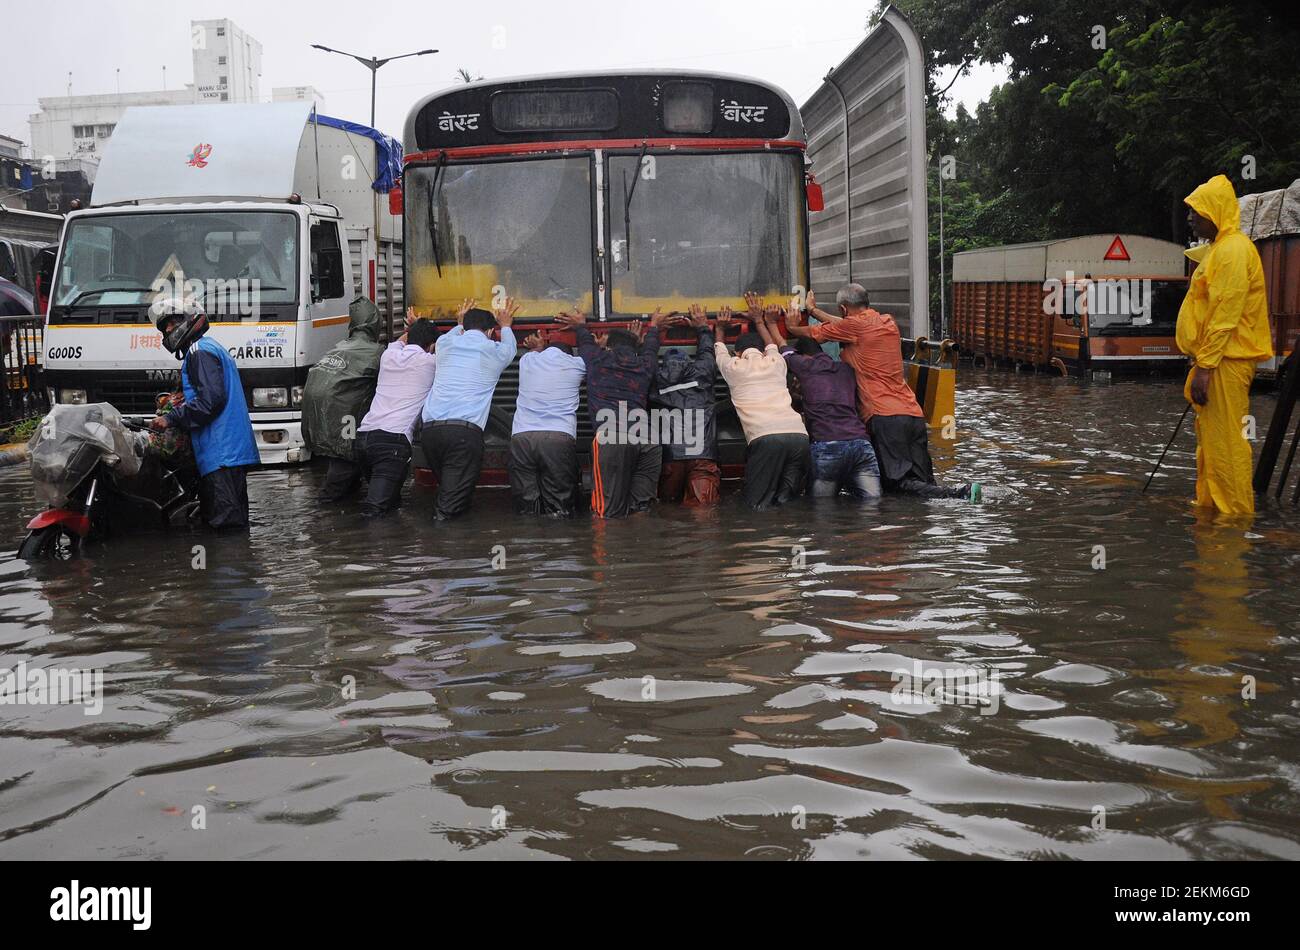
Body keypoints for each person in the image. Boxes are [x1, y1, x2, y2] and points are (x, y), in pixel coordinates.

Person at [786, 284, 977, 501]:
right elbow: (846, 325)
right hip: (912, 414)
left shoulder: (853, 327)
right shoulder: (888, 322)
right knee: (923, 485)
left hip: (884, 416)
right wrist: (814, 311)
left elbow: (813, 334)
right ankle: (941, 506)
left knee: (895, 484)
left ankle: (957, 494)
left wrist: (792, 328)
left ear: (844, 309)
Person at [1176, 174, 1274, 517]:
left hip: (1224, 362)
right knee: (1212, 445)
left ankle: (1233, 518)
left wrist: (1205, 366)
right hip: (1216, 360)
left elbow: (1225, 315)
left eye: (1196, 210)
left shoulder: (1233, 251)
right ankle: (1211, 512)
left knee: (1227, 445)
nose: (1190, 217)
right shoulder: (1220, 248)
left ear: (1215, 212)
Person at [149, 297, 260, 529]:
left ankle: (233, 565)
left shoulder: (199, 351)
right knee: (233, 524)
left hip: (221, 454)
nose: (168, 331)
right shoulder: (208, 348)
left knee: (227, 526)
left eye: (171, 324)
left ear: (188, 321)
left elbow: (209, 402)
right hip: (227, 453)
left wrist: (170, 418)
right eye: (165, 327)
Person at [555, 306, 670, 518]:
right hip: (648, 441)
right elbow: (651, 349)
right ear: (636, 348)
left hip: (612, 438)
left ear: (608, 347)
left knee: (605, 512)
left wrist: (581, 325)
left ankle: (610, 550)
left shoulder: (598, 360)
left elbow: (585, 341)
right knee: (641, 509)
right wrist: (653, 327)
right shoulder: (645, 364)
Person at [758, 303, 881, 499]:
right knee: (872, 504)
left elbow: (782, 346)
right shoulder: (846, 369)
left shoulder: (804, 365)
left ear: (803, 356)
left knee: (822, 513)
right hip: (861, 445)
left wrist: (770, 323)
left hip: (827, 445)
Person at [419, 297, 518, 519]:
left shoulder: (444, 344)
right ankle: (446, 546)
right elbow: (510, 348)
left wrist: (459, 323)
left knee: (449, 491)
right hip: (462, 436)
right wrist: (507, 326)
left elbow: (453, 334)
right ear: (491, 332)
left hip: (429, 432)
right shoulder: (496, 351)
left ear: (464, 327)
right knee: (449, 506)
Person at [713, 304, 809, 509]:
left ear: (737, 353)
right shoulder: (777, 363)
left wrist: (720, 327)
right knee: (787, 502)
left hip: (766, 438)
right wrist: (759, 321)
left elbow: (719, 350)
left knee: (757, 505)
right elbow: (772, 345)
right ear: (763, 352)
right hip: (799, 436)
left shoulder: (733, 367)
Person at [353, 313, 440, 516]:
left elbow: (401, 341)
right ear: (432, 345)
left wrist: (413, 326)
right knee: (376, 509)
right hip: (392, 442)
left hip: (363, 438)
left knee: (389, 504)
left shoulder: (388, 355)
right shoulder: (430, 363)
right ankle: (368, 547)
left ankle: (390, 544)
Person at [301, 295, 384, 503]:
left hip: (326, 425)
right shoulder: (375, 353)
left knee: (347, 477)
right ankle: (324, 520)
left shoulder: (338, 346)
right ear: (376, 324)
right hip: (348, 430)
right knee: (337, 483)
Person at [510, 331, 587, 516]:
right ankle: (558, 539)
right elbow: (595, 358)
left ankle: (531, 535)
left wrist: (538, 347)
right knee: (559, 505)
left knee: (526, 503)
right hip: (558, 437)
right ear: (570, 354)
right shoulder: (578, 364)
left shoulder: (527, 361)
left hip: (521, 438)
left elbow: (538, 353)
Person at [652, 304, 721, 506]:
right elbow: (707, 351)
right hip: (703, 454)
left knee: (667, 511)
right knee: (703, 513)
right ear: (690, 363)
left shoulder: (653, 378)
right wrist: (702, 327)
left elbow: (647, 357)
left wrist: (654, 330)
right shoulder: (704, 372)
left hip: (669, 457)